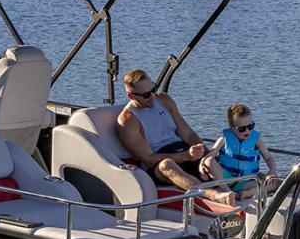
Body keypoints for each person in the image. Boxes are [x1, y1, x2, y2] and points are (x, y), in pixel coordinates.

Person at [114, 67, 236, 213]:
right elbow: (149, 159)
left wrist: (204, 152)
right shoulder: (128, 121)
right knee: (167, 165)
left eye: (153, 89)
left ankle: (237, 187)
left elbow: (188, 134)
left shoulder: (164, 100)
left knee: (212, 155)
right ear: (131, 96)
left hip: (183, 151)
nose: (152, 96)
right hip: (160, 165)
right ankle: (214, 196)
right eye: (146, 95)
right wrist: (185, 156)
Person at [205, 102, 282, 198]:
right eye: (242, 129)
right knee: (209, 161)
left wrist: (272, 170)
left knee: (272, 183)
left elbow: (268, 157)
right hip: (225, 179)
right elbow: (208, 157)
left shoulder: (256, 139)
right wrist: (202, 169)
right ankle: (228, 192)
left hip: (246, 181)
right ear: (231, 127)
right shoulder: (224, 138)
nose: (247, 131)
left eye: (250, 126)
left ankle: (244, 194)